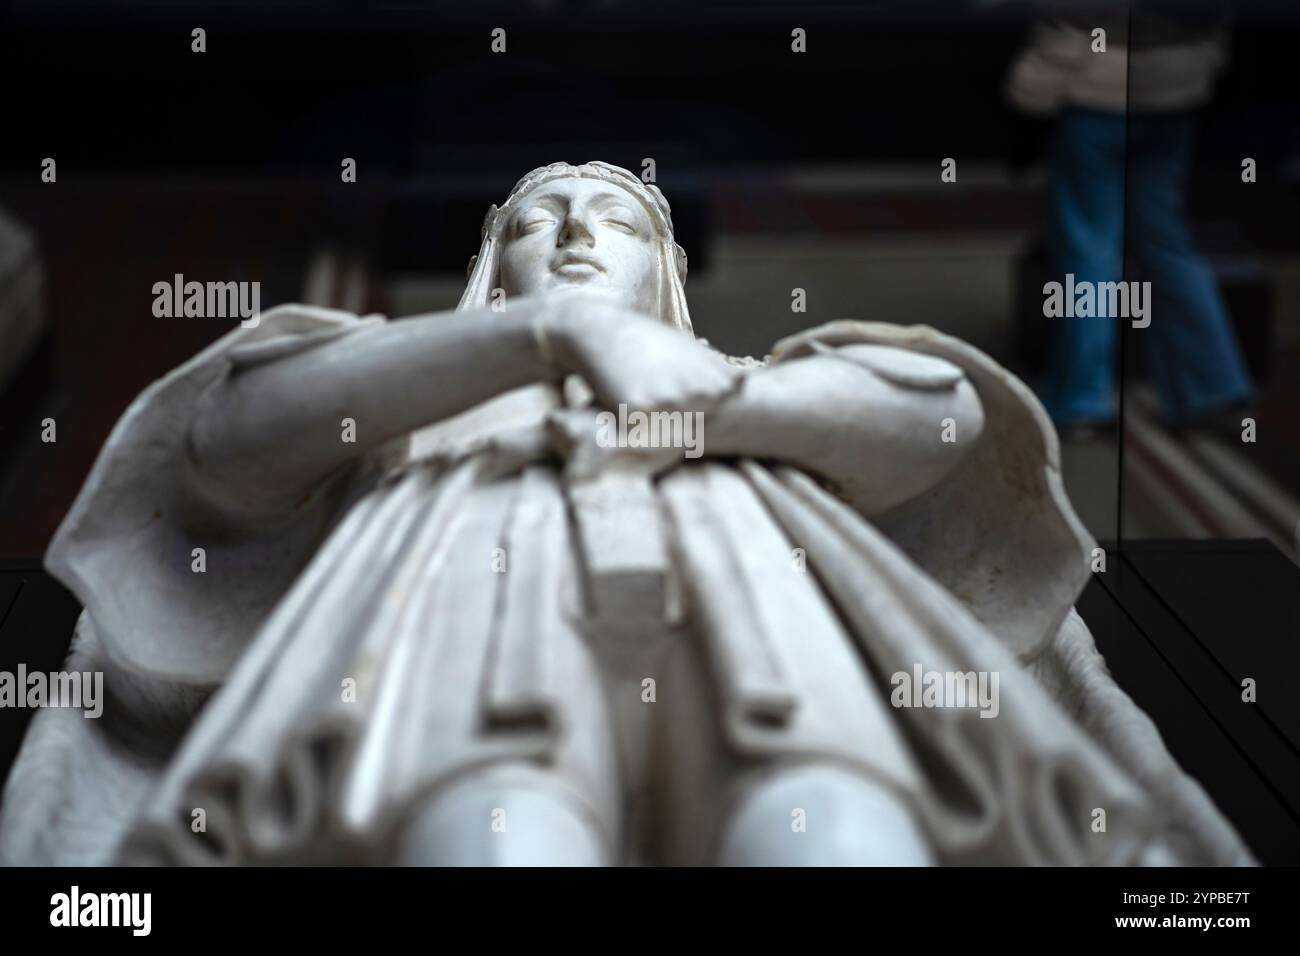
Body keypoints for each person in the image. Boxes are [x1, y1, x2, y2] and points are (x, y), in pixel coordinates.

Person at [0, 162, 1250, 866]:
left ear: (671, 273)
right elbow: (229, 438)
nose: (579, 239)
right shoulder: (406, 385)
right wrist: (543, 337)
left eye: (616, 225)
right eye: (541, 226)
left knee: (830, 827)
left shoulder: (758, 380)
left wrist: (696, 411)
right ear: (497, 264)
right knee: (494, 831)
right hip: (466, 644)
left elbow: (937, 418)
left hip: (758, 639)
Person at [1006, 8, 1254, 433]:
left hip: (1096, 95)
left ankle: (1082, 400)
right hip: (1177, 91)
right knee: (1166, 240)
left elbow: (1073, 21)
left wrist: (1029, 93)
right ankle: (1212, 390)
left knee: (1090, 251)